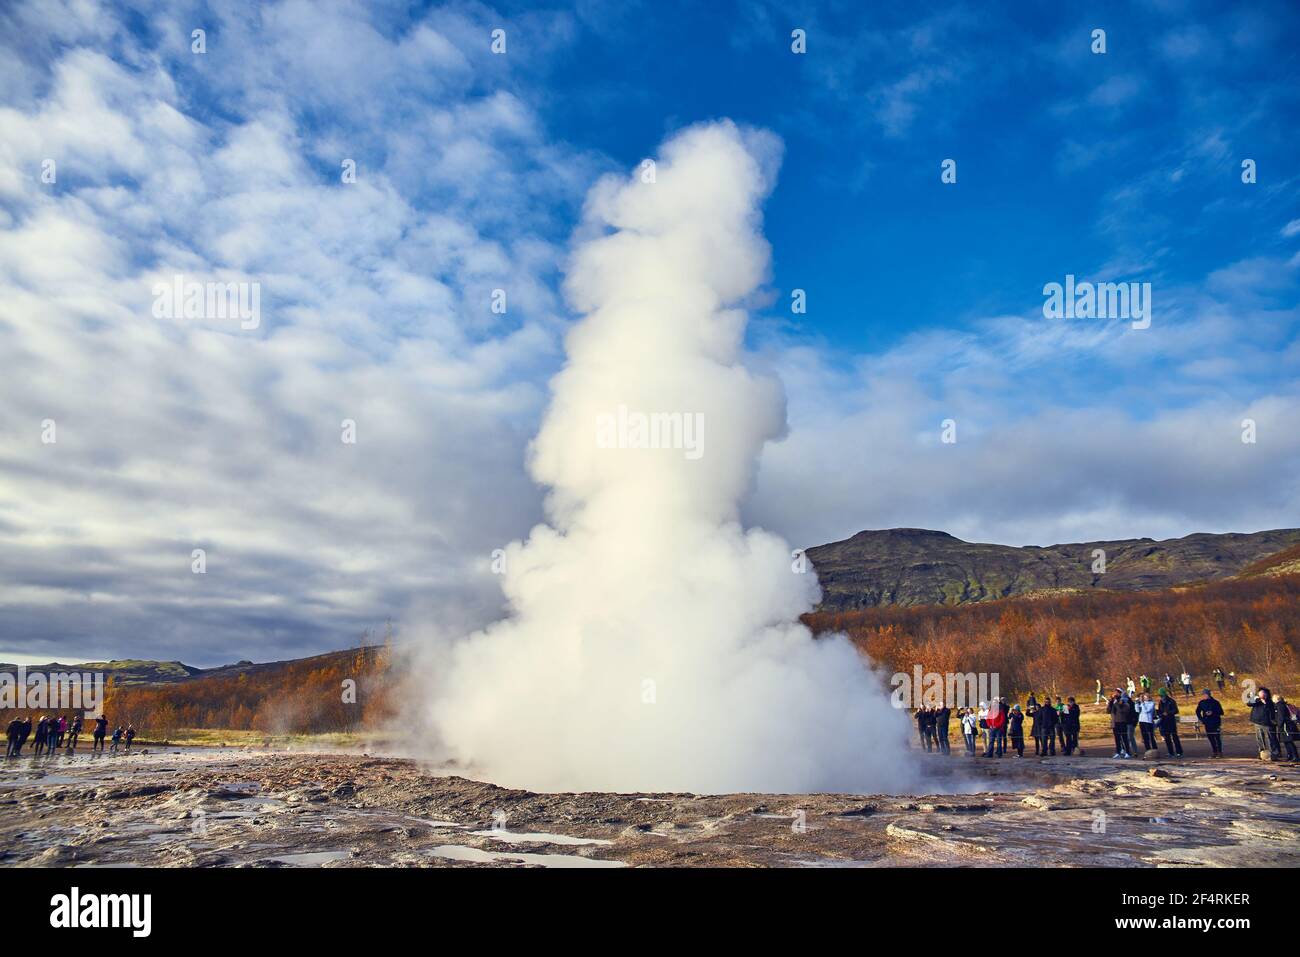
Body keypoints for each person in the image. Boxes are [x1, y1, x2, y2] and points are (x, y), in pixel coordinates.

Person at [1248, 688, 1280, 760]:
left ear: (1266, 694)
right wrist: (1252, 697)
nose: (1261, 694)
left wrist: (1265, 702)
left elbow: (1271, 710)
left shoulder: (1270, 702)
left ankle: (1274, 753)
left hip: (1268, 723)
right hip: (1258, 722)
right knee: (1260, 738)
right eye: (1260, 693)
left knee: (1271, 738)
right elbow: (1249, 704)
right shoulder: (1257, 701)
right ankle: (1262, 753)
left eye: (1262, 693)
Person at [1196, 689, 1224, 758]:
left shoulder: (1215, 702)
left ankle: (1219, 752)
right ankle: (1214, 752)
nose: (1204, 696)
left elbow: (1221, 712)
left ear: (1209, 694)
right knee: (1211, 738)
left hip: (1215, 722)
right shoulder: (1201, 703)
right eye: (1203, 695)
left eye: (1205, 694)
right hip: (1207, 722)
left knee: (1217, 737)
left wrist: (1212, 712)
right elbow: (1197, 711)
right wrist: (1202, 719)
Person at [1156, 688, 1183, 757]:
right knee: (1167, 738)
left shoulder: (1171, 701)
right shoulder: (1161, 702)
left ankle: (1179, 752)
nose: (1161, 697)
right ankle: (1170, 752)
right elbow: (1159, 711)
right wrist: (1160, 714)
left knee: (1174, 737)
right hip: (1164, 721)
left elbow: (1176, 710)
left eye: (1162, 695)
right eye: (1160, 696)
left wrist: (1168, 713)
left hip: (1171, 721)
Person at [1107, 688, 1134, 758]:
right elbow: (1108, 711)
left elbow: (1122, 711)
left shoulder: (1125, 703)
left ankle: (1127, 752)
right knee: (1117, 738)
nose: (1115, 694)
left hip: (1122, 721)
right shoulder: (1114, 702)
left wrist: (1117, 704)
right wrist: (1110, 702)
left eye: (1117, 693)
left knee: (1124, 738)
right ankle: (1118, 752)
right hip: (1115, 722)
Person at [1274, 695, 1298, 763]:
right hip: (1285, 725)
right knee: (1286, 741)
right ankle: (1290, 755)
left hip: (1285, 726)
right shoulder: (1282, 705)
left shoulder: (1280, 705)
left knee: (1288, 741)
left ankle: (1294, 756)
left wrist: (1278, 724)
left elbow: (1281, 717)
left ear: (1277, 699)